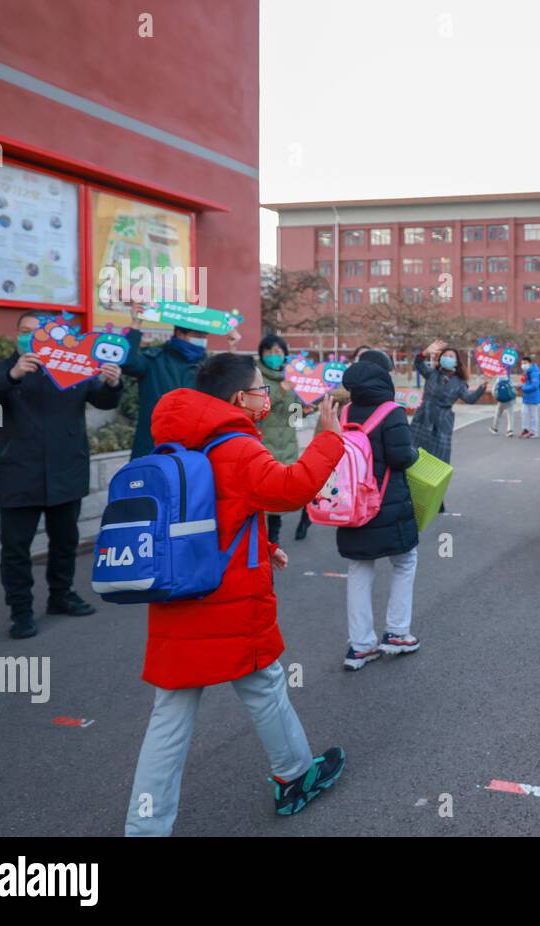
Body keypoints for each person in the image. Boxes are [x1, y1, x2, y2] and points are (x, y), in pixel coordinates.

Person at [124, 353, 347, 836]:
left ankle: (145, 827)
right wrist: (328, 437)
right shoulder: (236, 448)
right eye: (258, 390)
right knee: (265, 686)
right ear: (237, 399)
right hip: (231, 604)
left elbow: (210, 518)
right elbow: (292, 489)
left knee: (170, 718)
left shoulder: (176, 446)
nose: (265, 398)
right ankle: (293, 777)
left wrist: (263, 546)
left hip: (178, 600)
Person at [0, 310, 124, 638]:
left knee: (65, 542)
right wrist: (13, 374)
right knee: (15, 548)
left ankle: (61, 596)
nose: (32, 336)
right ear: (17, 335)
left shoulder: (70, 368)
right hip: (19, 474)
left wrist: (112, 383)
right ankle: (21, 611)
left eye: (39, 331)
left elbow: (103, 400)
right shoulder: (2, 369)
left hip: (67, 471)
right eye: (25, 331)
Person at [336, 353, 422, 668]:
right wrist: (414, 452)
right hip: (388, 503)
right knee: (405, 561)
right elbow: (402, 458)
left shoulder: (345, 412)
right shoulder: (391, 412)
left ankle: (360, 646)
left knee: (359, 568)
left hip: (351, 504)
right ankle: (397, 633)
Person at [122, 307, 240, 459]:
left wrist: (232, 347)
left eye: (205, 335)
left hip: (193, 452)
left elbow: (229, 390)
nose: (202, 339)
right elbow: (127, 363)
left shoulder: (207, 367)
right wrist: (136, 324)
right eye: (197, 334)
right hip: (153, 449)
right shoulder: (155, 359)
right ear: (180, 334)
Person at [411, 340, 488, 511]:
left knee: (438, 461)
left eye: (451, 356)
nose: (447, 358)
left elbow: (470, 399)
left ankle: (435, 500)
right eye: (445, 355)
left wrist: (483, 386)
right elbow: (418, 363)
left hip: (443, 422)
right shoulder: (431, 373)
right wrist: (425, 352)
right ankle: (411, 496)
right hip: (423, 418)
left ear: (457, 362)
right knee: (413, 455)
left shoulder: (460, 383)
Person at [256, 334, 310, 545]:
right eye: (268, 351)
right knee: (267, 492)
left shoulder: (292, 378)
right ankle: (271, 535)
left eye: (277, 352)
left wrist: (304, 411)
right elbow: (259, 409)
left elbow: (294, 418)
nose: (272, 356)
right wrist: (281, 390)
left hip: (287, 444)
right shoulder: (257, 376)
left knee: (285, 490)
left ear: (285, 355)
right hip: (264, 443)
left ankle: (300, 521)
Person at [519, 355, 540, 437]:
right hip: (526, 396)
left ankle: (534, 432)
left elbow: (535, 385)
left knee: (533, 415)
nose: (523, 365)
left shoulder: (534, 372)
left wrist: (523, 387)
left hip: (533, 396)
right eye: (522, 363)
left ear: (530, 363)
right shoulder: (527, 372)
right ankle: (525, 429)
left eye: (525, 363)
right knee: (524, 413)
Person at [490, 370, 517, 437]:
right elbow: (514, 391)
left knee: (498, 414)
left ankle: (495, 428)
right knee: (510, 416)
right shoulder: (509, 380)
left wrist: (497, 398)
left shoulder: (498, 380)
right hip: (509, 401)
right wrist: (514, 400)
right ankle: (510, 431)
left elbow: (493, 391)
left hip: (501, 401)